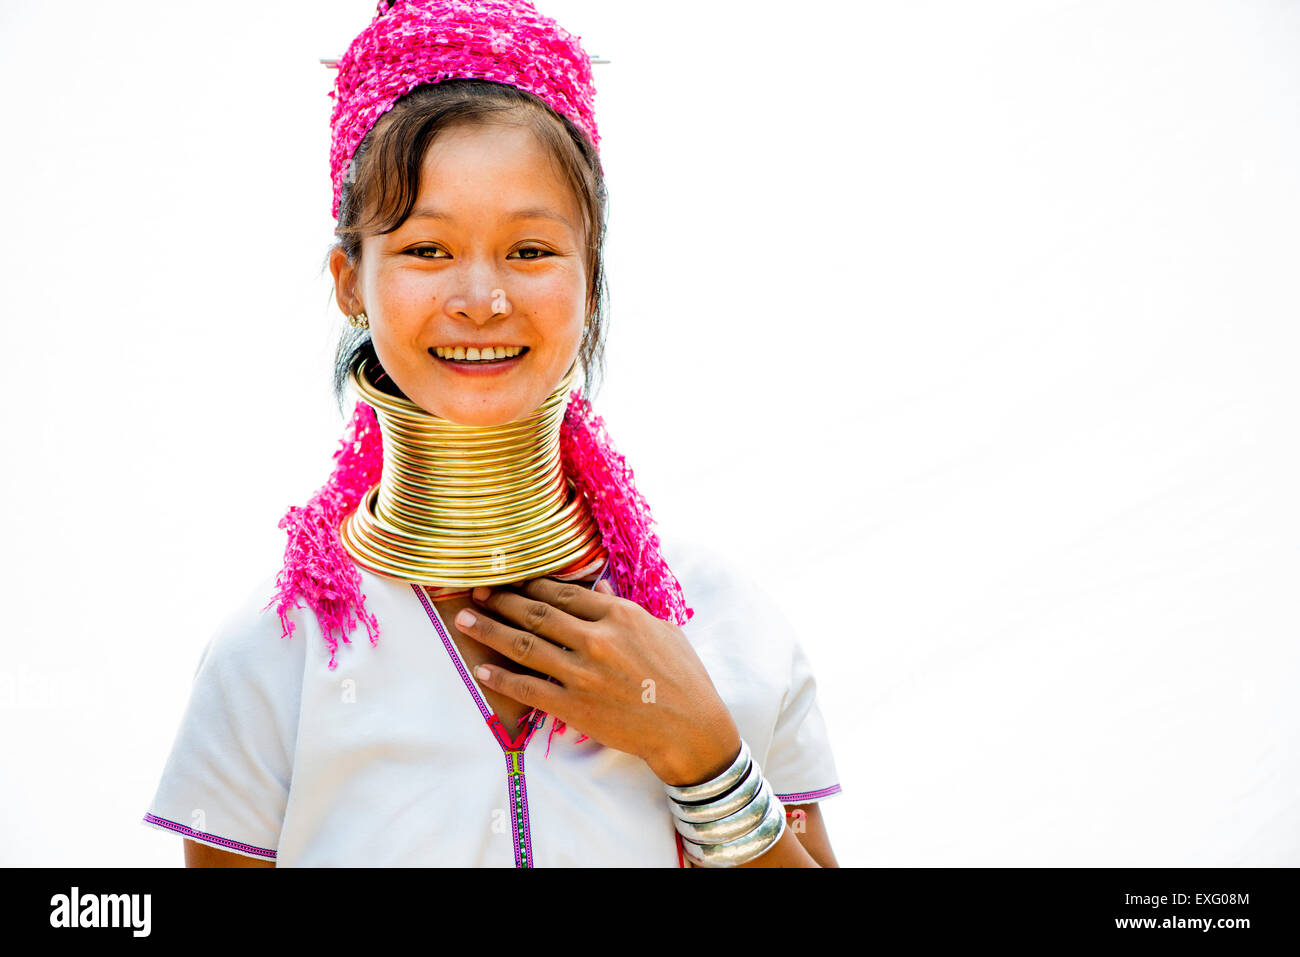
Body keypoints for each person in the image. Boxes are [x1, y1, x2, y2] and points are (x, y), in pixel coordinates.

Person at [140, 0, 841, 868]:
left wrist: (702, 756)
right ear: (349, 280)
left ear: (590, 274)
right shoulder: (273, 657)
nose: (481, 298)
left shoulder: (721, 621)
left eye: (531, 250)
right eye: (427, 251)